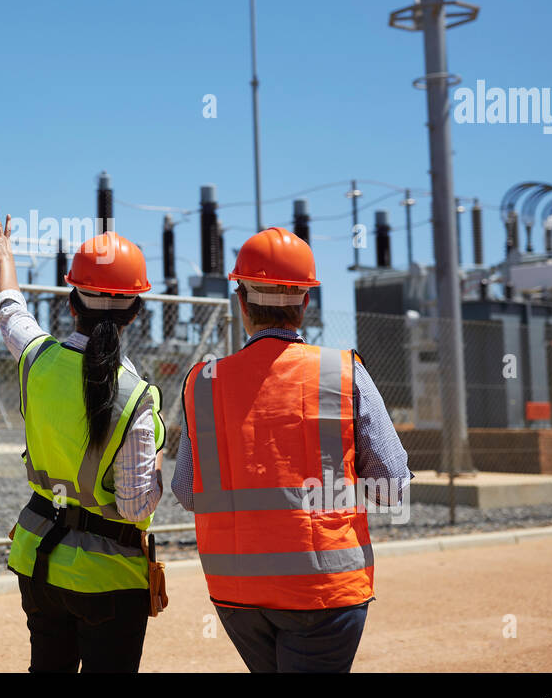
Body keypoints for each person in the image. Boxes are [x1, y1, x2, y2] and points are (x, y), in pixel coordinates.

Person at [171, 226, 412, 673]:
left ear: (240, 302)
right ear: (306, 302)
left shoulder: (202, 383)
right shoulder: (343, 372)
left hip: (236, 592)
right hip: (324, 590)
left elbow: (187, 492)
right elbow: (392, 486)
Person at [0, 211, 166, 673]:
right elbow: (136, 506)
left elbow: (10, 314)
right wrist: (159, 461)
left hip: (37, 558)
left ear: (70, 303)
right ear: (136, 313)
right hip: (108, 578)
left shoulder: (37, 359)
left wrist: (4, 258)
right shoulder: (136, 395)